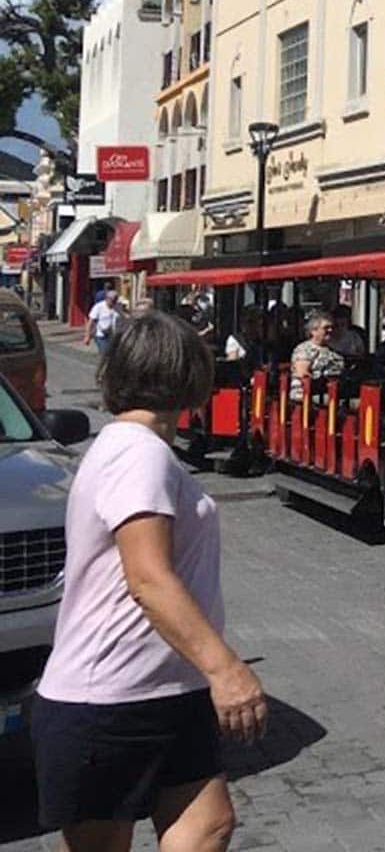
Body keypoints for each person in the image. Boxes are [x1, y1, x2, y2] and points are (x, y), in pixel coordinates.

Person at [32, 310, 266, 850]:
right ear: (189, 376)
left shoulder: (138, 450)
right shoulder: (139, 455)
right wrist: (225, 668)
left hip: (162, 690)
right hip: (108, 698)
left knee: (209, 822)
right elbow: (148, 577)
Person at [289, 311, 344, 402]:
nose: (330, 330)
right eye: (326, 328)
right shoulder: (304, 350)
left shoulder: (333, 350)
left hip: (335, 391)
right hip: (310, 395)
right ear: (313, 331)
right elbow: (303, 374)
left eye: (331, 327)